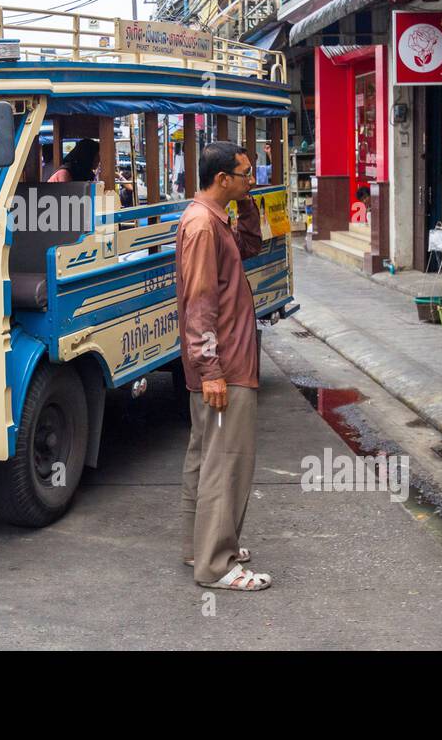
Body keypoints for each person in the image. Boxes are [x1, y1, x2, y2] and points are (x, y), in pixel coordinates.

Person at [175, 141, 271, 592]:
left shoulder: (215, 220)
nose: (251, 179)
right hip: (225, 361)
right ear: (223, 179)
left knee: (205, 455)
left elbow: (250, 246)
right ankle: (217, 564)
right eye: (246, 174)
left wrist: (248, 205)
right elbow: (200, 303)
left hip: (223, 358)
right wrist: (211, 368)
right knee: (226, 461)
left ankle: (202, 545)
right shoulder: (203, 227)